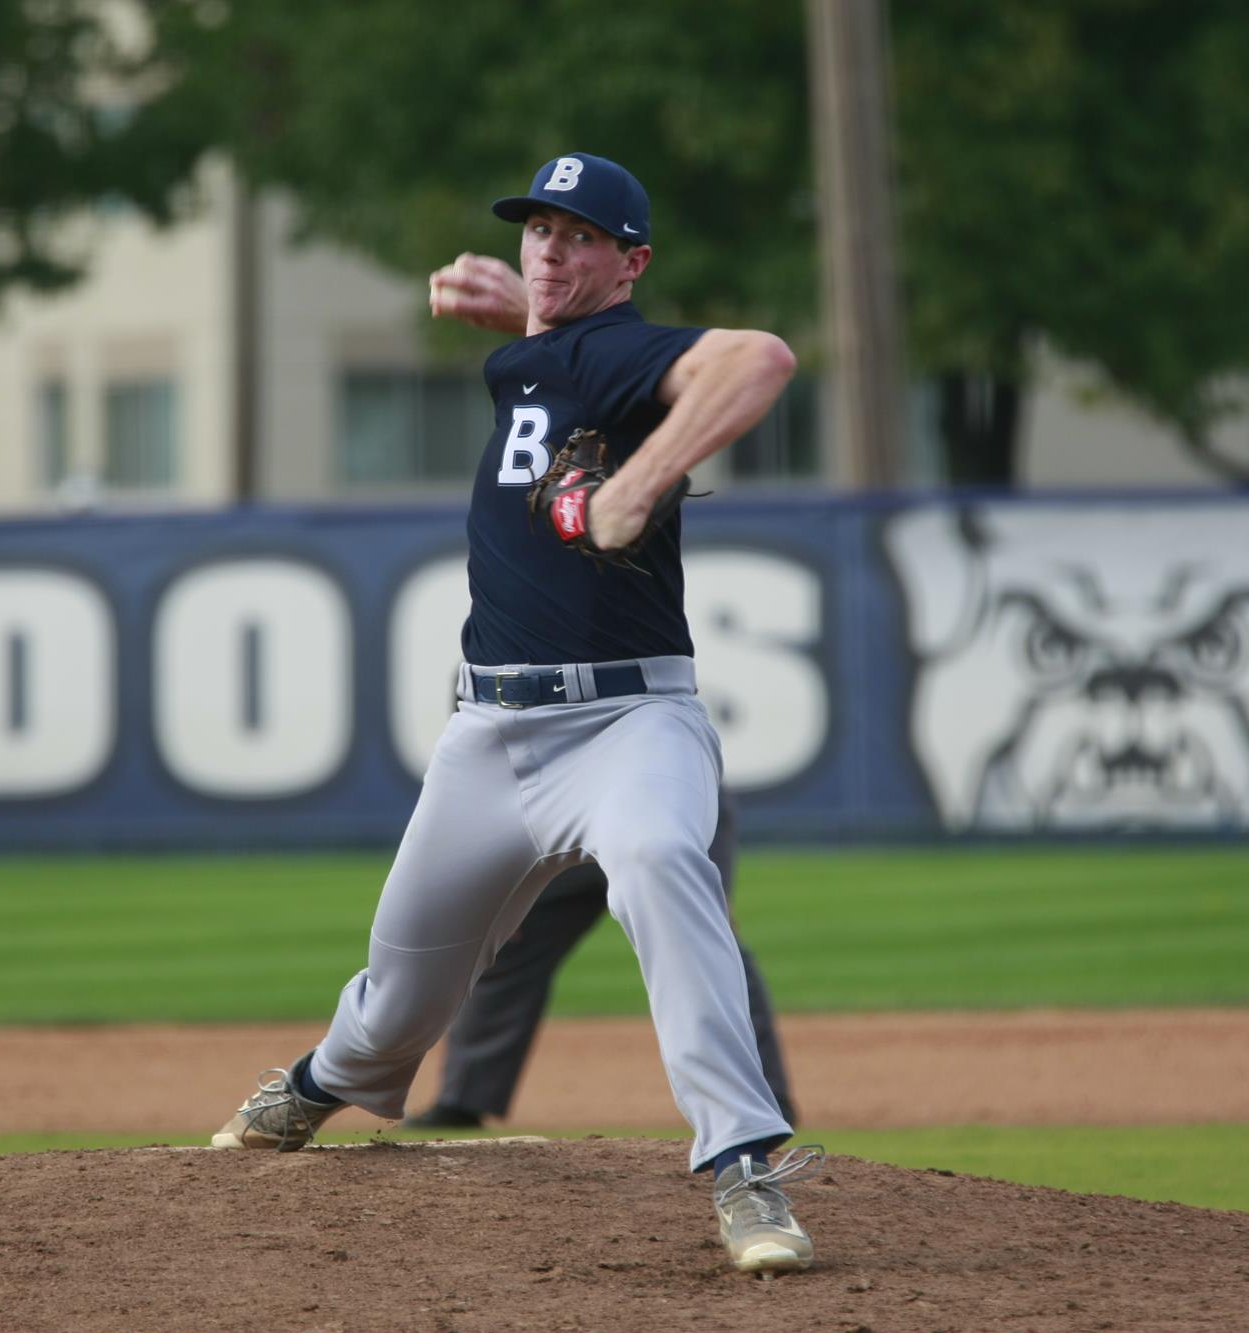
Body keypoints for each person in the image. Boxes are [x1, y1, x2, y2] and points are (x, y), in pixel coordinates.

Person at [211, 151, 823, 1275]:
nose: (549, 247)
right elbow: (557, 360)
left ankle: (741, 1161)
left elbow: (762, 357)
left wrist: (637, 488)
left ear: (630, 262)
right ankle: (317, 1082)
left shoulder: (627, 351)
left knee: (654, 858)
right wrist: (522, 317)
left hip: (630, 722)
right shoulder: (543, 358)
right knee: (399, 997)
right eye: (538, 229)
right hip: (487, 738)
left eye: (580, 236)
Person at [402, 787, 798, 1131]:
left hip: (662, 808)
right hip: (556, 820)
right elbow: (485, 774)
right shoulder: (485, 704)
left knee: (709, 948)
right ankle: (465, 1097)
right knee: (508, 943)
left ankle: (764, 1099)